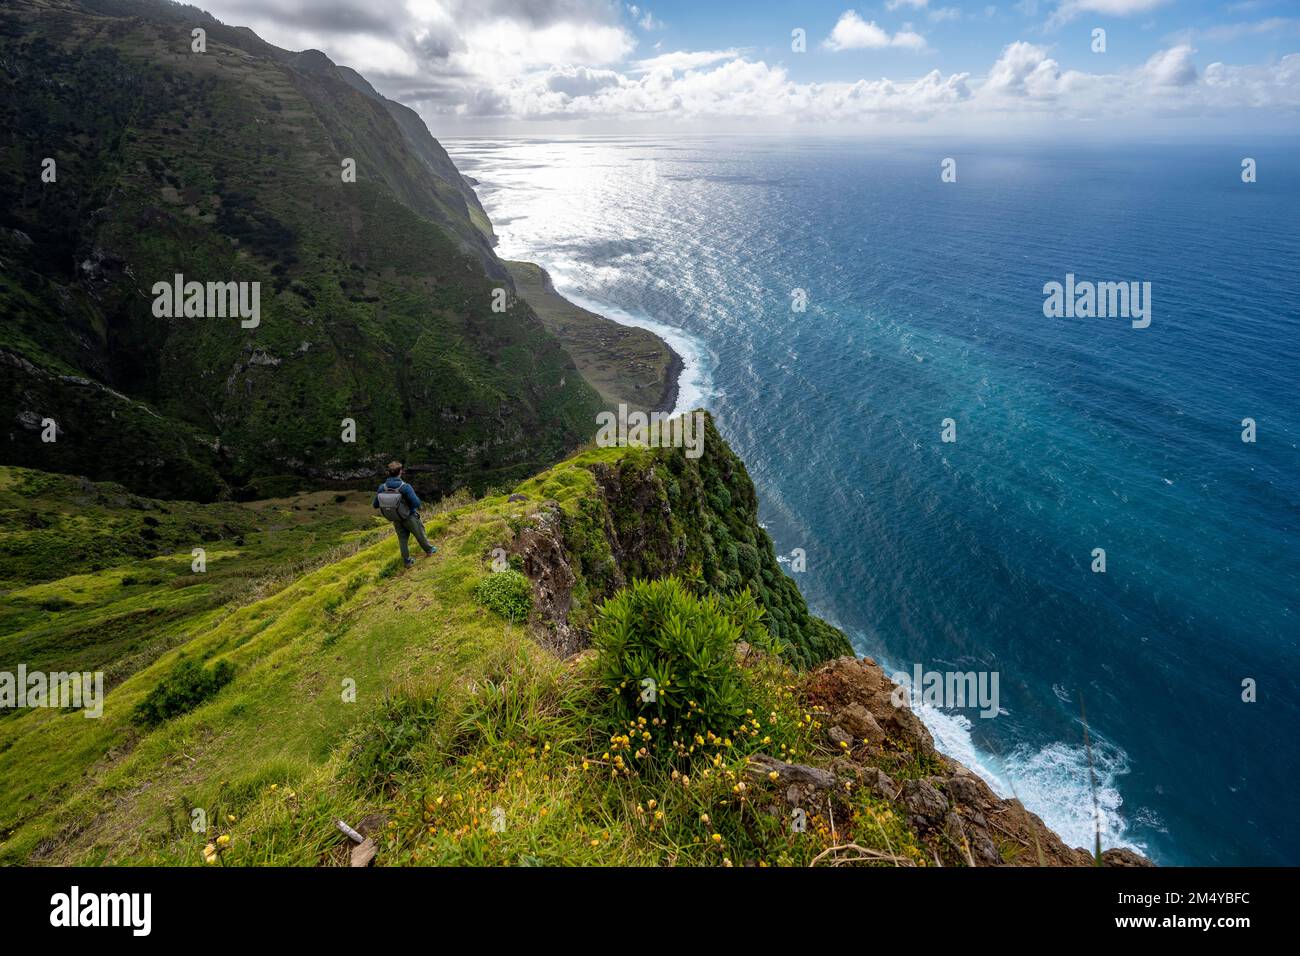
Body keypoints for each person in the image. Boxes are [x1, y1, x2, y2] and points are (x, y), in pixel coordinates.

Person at [373, 461, 437, 567]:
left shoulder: (382, 487)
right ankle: (429, 550)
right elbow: (416, 503)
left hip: (396, 518)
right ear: (400, 472)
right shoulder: (405, 487)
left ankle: (407, 561)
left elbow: (375, 505)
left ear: (388, 473)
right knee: (419, 534)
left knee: (402, 540)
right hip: (409, 516)